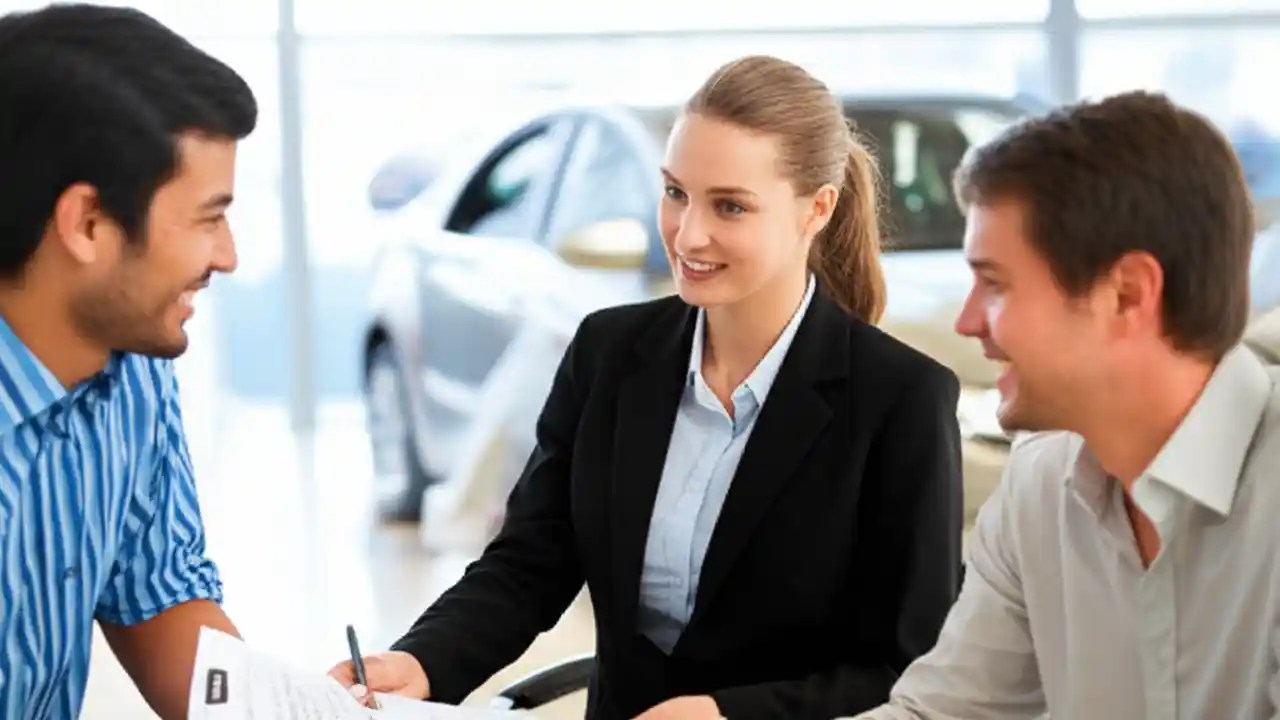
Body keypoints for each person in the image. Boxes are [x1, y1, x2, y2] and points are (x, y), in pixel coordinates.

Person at [330, 55, 964, 720]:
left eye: (731, 206)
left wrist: (726, 713)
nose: (688, 234)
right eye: (675, 193)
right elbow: (530, 563)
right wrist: (423, 661)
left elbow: (908, 668)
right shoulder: (610, 354)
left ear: (818, 210)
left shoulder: (900, 400)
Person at [848, 91, 1280, 719]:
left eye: (994, 283)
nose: (968, 323)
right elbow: (938, 714)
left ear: (1128, 295)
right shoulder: (1040, 486)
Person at [0, 4, 256, 719]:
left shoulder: (132, 368)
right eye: (208, 218)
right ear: (86, 225)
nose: (228, 257)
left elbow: (165, 602)